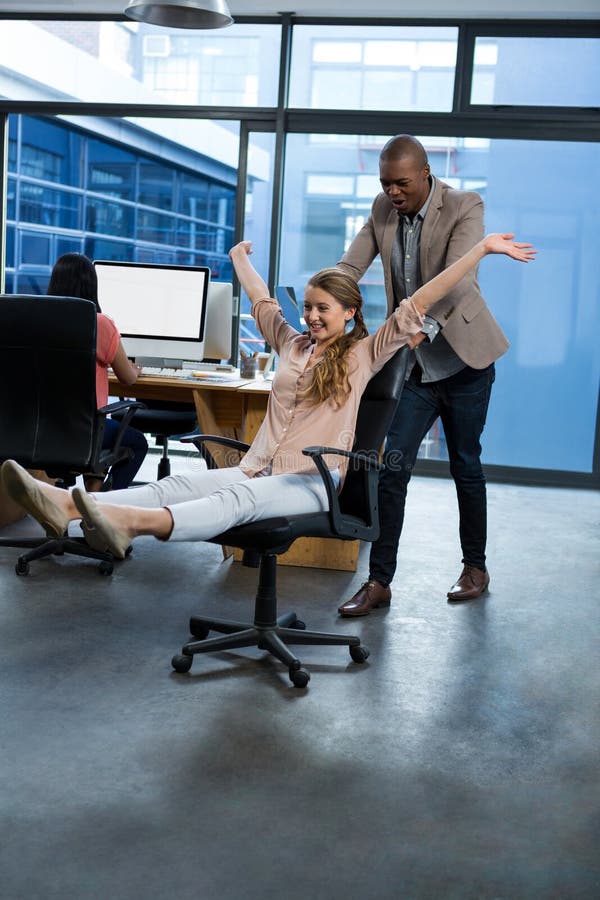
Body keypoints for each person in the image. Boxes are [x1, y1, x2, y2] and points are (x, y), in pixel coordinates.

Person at [0, 235, 534, 560]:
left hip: (312, 482)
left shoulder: (365, 353)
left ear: (349, 312)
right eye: (308, 306)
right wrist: (238, 258)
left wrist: (483, 250)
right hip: (259, 466)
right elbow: (259, 299)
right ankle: (63, 504)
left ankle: (125, 526)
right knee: (181, 482)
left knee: (237, 503)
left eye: (323, 308)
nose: (312, 316)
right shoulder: (292, 345)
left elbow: (423, 296)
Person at [336, 134, 510, 613]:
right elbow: (352, 264)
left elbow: (460, 278)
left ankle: (475, 566)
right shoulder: (381, 209)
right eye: (385, 184)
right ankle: (379, 581)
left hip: (465, 361)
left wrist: (417, 329)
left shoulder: (463, 205)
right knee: (393, 469)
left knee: (465, 465)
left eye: (402, 184)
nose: (393, 192)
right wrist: (328, 301)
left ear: (426, 173)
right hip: (415, 369)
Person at [47, 253, 148, 491]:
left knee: (99, 441)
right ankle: (102, 508)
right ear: (91, 285)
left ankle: (87, 504)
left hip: (42, 432)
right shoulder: (99, 323)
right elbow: (127, 378)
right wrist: (136, 369)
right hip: (86, 431)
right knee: (137, 443)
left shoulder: (39, 321)